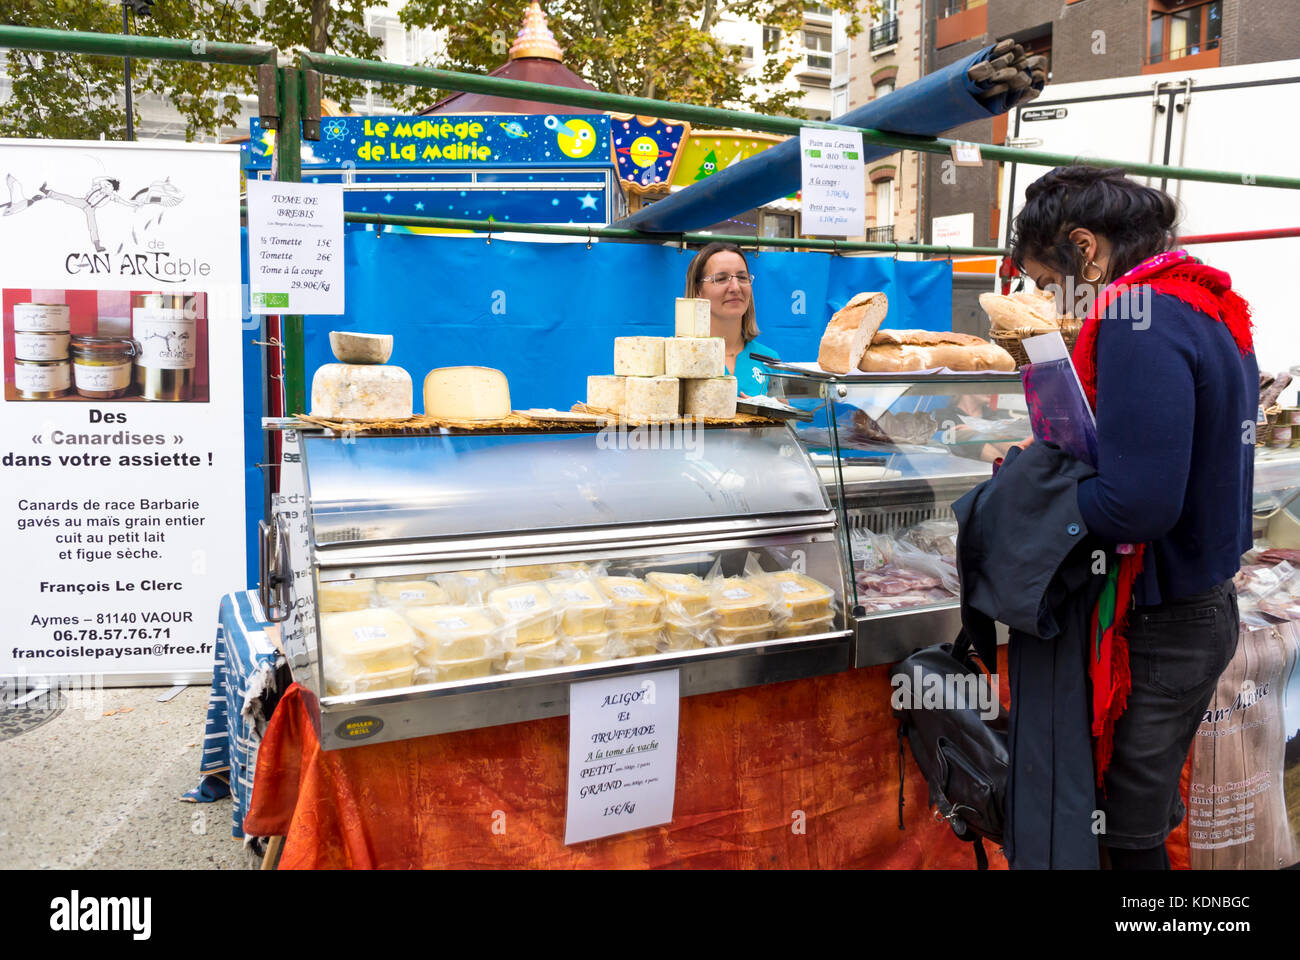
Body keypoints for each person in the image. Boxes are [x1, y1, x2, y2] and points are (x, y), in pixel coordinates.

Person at [1009, 166, 1256, 869]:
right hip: (1198, 608)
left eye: (1049, 282)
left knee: (1127, 834)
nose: (1051, 301)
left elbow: (1138, 504)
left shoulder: (1133, 316)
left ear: (1084, 247)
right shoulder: (1202, 300)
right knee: (1140, 811)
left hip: (1163, 624)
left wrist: (1022, 496)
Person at [683, 241, 778, 397]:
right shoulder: (680, 358)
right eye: (720, 279)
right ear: (698, 290)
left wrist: (782, 417)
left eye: (742, 277)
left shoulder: (770, 361)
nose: (735, 287)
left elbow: (789, 421)